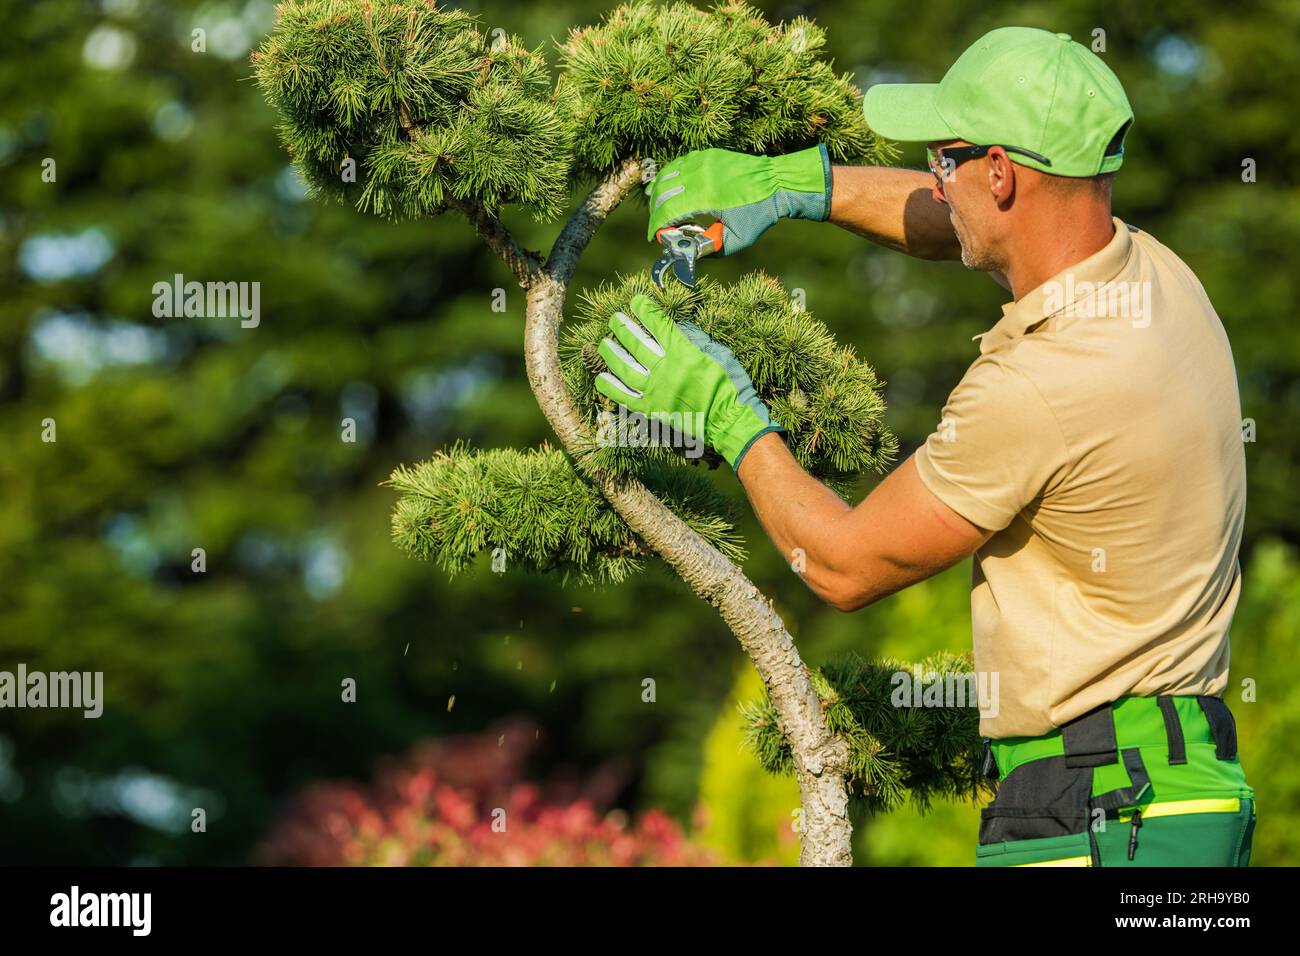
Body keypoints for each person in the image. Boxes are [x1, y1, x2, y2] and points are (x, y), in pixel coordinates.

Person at [596, 26, 1255, 866]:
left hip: (1097, 812)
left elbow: (843, 565)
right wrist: (794, 185)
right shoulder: (1157, 277)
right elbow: (977, 229)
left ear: (1003, 172)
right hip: (1184, 796)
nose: (934, 184)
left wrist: (727, 412)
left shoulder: (1040, 384)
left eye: (944, 159)